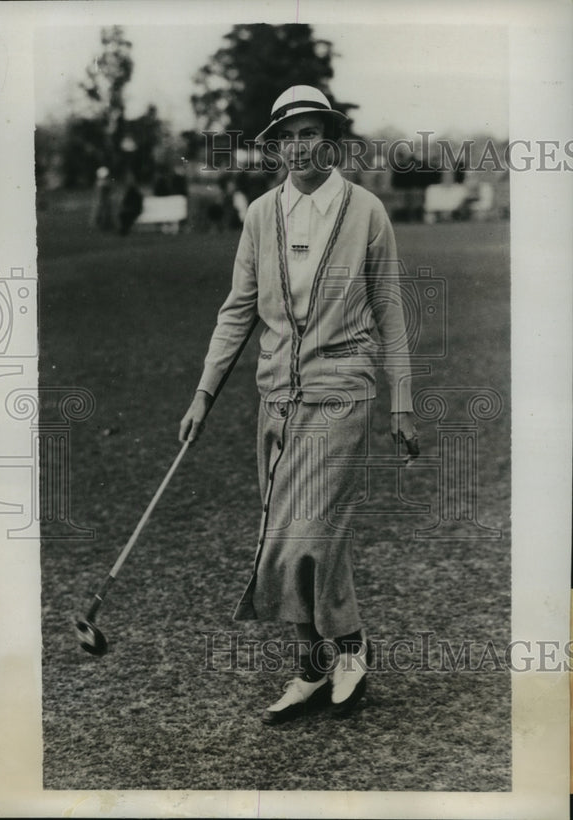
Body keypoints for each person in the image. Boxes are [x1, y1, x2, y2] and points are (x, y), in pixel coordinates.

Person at [179, 85, 418, 724]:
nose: (302, 144)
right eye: (290, 135)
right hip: (277, 399)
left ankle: (350, 644)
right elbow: (237, 311)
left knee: (310, 534)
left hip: (344, 392)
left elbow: (390, 307)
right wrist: (204, 393)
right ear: (277, 146)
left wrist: (402, 399)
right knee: (281, 536)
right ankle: (312, 664)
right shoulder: (260, 215)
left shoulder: (366, 210)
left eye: (313, 132)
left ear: (330, 140)